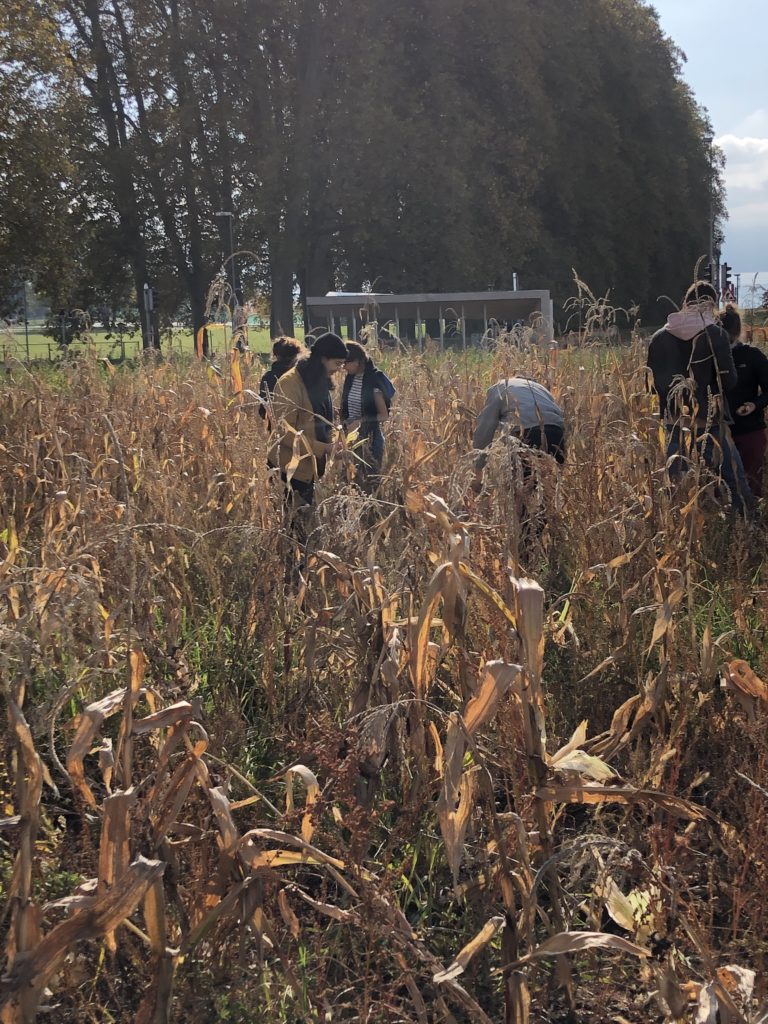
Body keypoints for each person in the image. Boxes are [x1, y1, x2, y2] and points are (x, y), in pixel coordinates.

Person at [646, 280, 751, 512]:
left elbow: (651, 385)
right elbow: (729, 381)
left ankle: (678, 530)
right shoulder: (716, 335)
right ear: (711, 305)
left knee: (676, 485)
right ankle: (746, 525)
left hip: (674, 423)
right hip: (709, 421)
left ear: (685, 302)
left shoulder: (658, 338)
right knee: (733, 478)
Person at [267, 332, 348, 514]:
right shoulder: (289, 383)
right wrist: (325, 449)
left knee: (307, 522)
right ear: (322, 359)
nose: (338, 369)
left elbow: (326, 422)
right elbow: (283, 432)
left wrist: (336, 442)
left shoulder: (320, 382)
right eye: (336, 364)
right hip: (289, 470)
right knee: (295, 526)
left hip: (310, 469)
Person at [472, 376, 566, 489]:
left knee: (521, 492)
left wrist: (478, 471)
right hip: (557, 435)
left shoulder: (499, 387)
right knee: (549, 491)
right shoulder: (541, 389)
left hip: (526, 435)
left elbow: (485, 430)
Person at [720, 304, 768, 498]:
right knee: (723, 488)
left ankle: (752, 523)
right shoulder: (711, 357)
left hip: (750, 430)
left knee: (752, 485)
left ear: (737, 333)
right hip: (721, 432)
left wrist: (754, 404)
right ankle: (732, 525)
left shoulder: (753, 356)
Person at [340, 341, 395, 489]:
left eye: (346, 363)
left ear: (358, 361)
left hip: (370, 439)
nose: (343, 367)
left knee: (371, 484)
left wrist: (360, 422)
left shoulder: (374, 381)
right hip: (351, 438)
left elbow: (384, 416)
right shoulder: (350, 378)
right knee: (349, 482)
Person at [259, 336, 304, 422]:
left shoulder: (268, 378)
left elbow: (263, 411)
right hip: (300, 430)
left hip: (274, 428)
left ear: (276, 355)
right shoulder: (301, 376)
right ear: (297, 355)